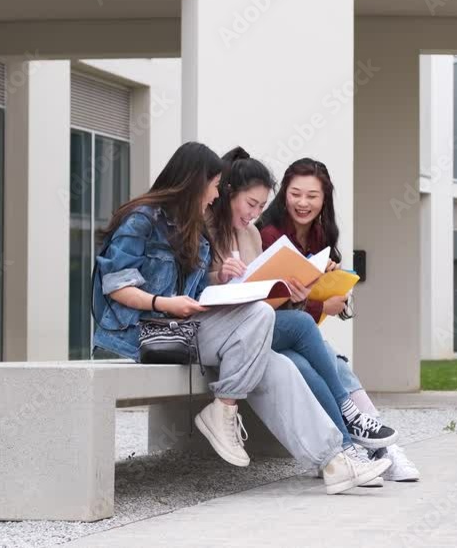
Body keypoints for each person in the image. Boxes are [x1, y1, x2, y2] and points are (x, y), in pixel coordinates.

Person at [92, 142, 389, 494]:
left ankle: (336, 461)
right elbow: (116, 285)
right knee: (267, 324)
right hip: (145, 334)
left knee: (279, 367)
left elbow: (199, 288)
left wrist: (220, 280)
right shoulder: (142, 219)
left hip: (187, 329)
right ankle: (226, 408)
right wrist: (166, 304)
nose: (216, 194)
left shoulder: (193, 229)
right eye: (215, 185)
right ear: (194, 181)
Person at [207, 148, 398, 468]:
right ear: (228, 193)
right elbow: (196, 284)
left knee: (321, 362)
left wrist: (304, 290)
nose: (255, 212)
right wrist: (309, 299)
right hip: (233, 327)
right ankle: (352, 428)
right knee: (311, 342)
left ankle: (357, 447)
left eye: (260, 206)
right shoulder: (220, 229)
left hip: (263, 320)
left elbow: (262, 293)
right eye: (251, 204)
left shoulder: (257, 233)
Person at [258, 157, 421, 482]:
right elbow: (268, 303)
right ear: (284, 195)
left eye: (312, 196)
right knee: (321, 365)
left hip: (297, 331)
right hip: (270, 332)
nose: (303, 203)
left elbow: (307, 300)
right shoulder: (269, 235)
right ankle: (357, 451)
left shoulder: (322, 235)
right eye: (295, 194)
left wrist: (331, 293)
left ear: (324, 199)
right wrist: (320, 305)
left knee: (334, 364)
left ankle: (383, 450)